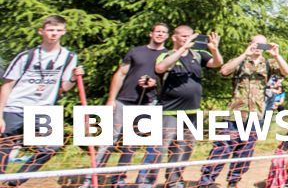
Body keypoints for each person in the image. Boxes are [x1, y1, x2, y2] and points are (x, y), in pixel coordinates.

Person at [0, 15, 84, 187]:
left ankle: (17, 179)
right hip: (16, 106)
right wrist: (0, 114)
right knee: (4, 146)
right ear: (41, 31)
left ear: (64, 32)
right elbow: (7, 85)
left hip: (44, 109)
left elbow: (64, 87)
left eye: (58, 30)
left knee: (51, 146)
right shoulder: (26, 56)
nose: (54, 34)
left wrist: (74, 78)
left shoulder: (69, 57)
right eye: (50, 30)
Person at [135, 26, 223, 188]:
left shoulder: (198, 55)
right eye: (183, 36)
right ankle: (145, 182)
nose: (187, 39)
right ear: (174, 38)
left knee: (184, 149)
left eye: (190, 37)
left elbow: (217, 63)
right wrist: (183, 48)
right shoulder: (166, 55)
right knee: (159, 149)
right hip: (169, 111)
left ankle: (174, 181)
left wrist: (214, 49)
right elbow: (160, 68)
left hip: (192, 111)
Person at [199, 34, 288, 188]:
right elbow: (224, 71)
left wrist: (277, 55)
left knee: (245, 152)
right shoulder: (241, 61)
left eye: (262, 45)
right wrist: (245, 54)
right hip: (234, 113)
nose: (258, 48)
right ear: (250, 44)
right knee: (221, 148)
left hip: (255, 115)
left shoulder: (268, 64)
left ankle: (233, 182)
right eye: (256, 44)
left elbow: (286, 72)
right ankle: (206, 181)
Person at [91, 23, 168, 187]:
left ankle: (119, 178)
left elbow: (168, 83)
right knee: (108, 141)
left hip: (148, 103)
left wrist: (155, 83)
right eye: (157, 31)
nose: (160, 34)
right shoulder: (136, 51)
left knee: (131, 145)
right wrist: (111, 99)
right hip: (124, 100)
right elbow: (120, 73)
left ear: (167, 36)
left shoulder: (168, 55)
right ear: (151, 33)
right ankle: (92, 179)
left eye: (163, 32)